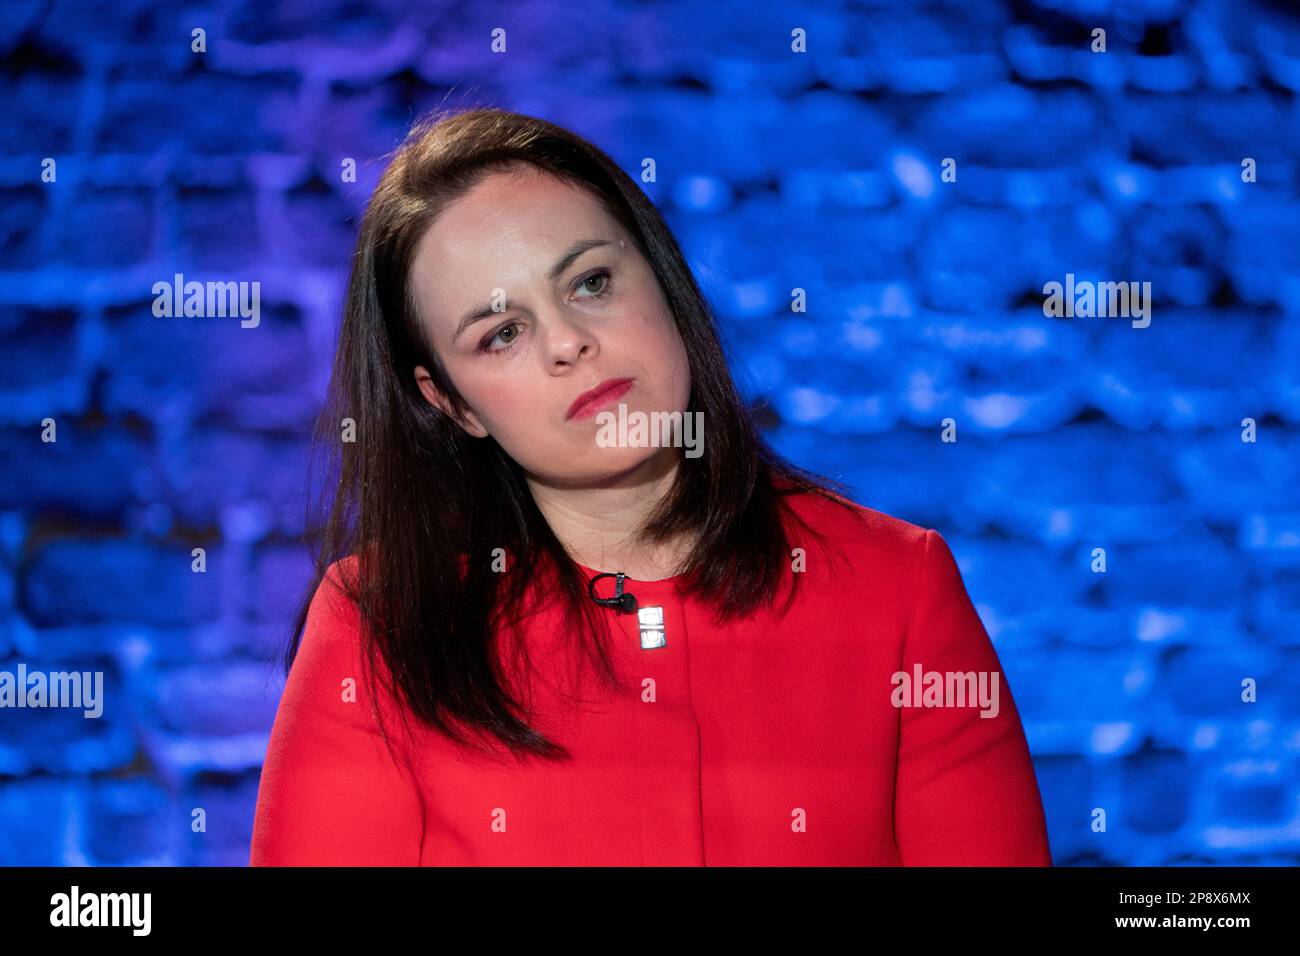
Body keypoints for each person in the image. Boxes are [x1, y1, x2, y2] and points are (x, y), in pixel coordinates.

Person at [248, 107, 1052, 866]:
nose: (568, 342)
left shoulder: (896, 587)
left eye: (591, 283)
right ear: (453, 403)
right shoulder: (377, 627)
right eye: (501, 334)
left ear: (663, 280)